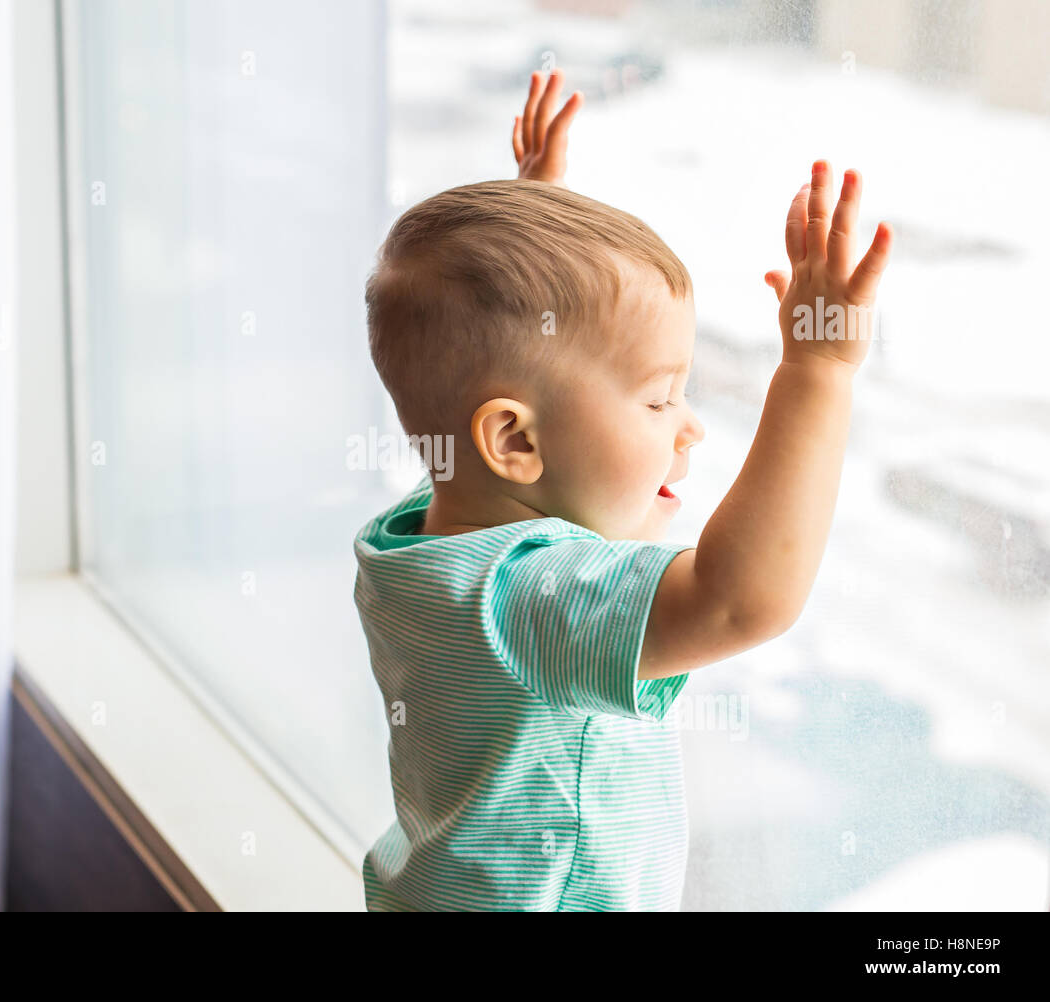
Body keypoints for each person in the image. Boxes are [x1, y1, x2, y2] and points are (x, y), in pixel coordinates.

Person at [354, 69, 893, 910]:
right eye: (658, 398)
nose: (690, 427)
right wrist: (815, 370)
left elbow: (480, 384)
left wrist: (535, 219)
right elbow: (735, 599)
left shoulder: (421, 538)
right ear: (515, 441)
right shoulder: (527, 598)